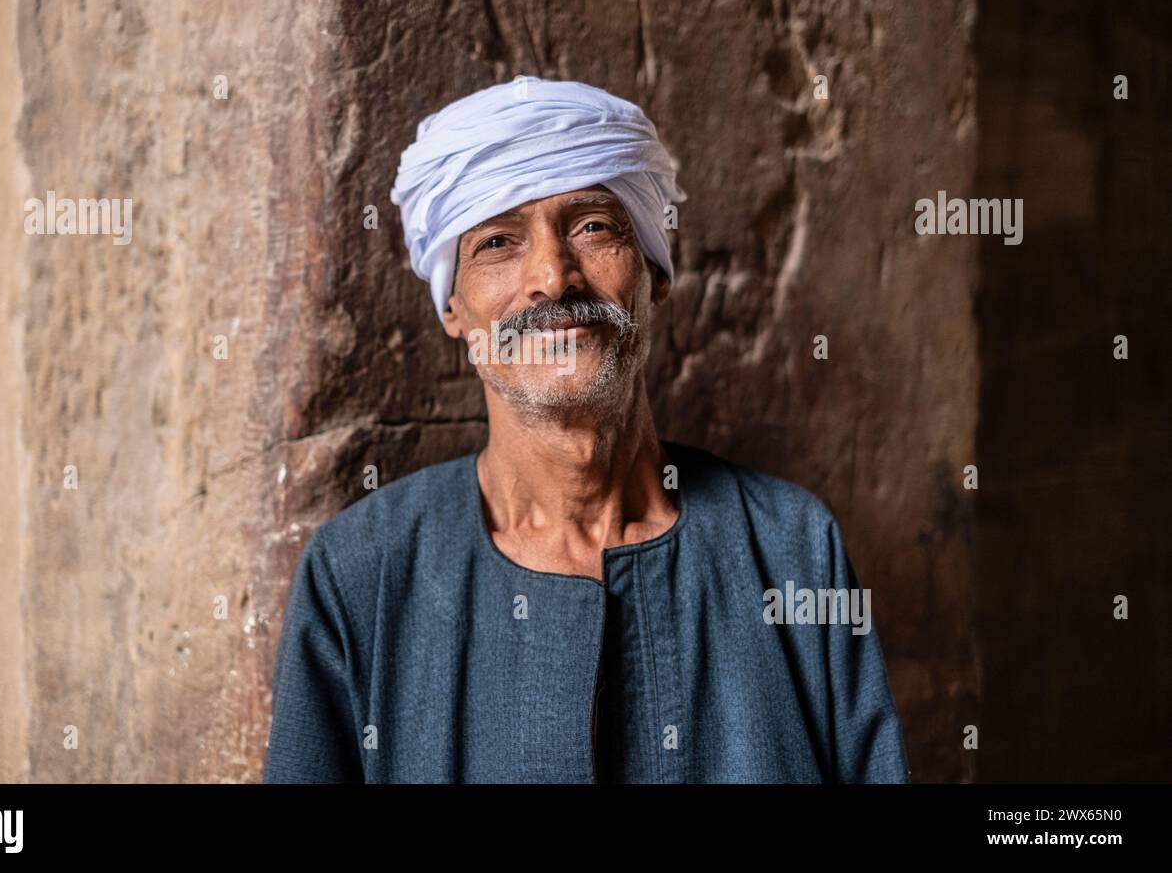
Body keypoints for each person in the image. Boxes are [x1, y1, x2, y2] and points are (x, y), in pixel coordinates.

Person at [262, 76, 909, 783]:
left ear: (654, 272)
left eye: (593, 226)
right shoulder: (362, 574)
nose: (552, 276)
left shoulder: (792, 551)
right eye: (499, 241)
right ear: (453, 307)